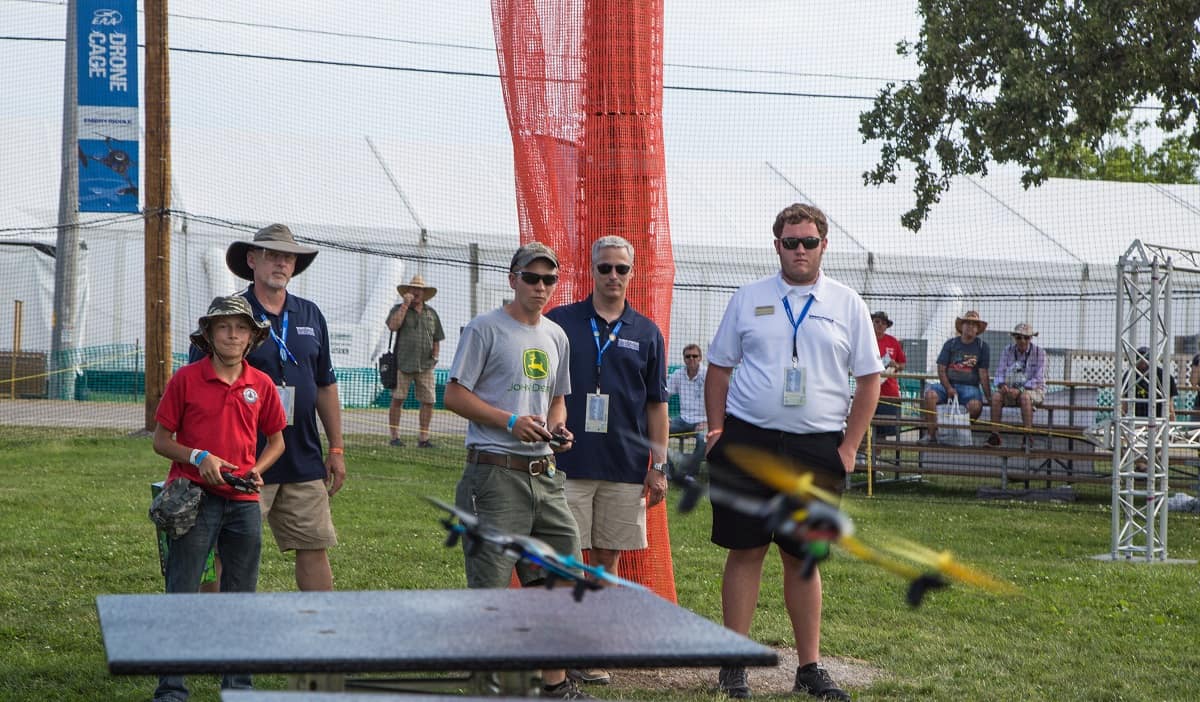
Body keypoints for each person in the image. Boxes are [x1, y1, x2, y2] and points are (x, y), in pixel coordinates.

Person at [704, 203, 881, 701]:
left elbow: (869, 380)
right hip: (749, 441)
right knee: (746, 550)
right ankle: (734, 664)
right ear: (776, 244)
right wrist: (718, 431)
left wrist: (848, 447)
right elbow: (718, 367)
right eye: (790, 242)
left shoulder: (847, 303)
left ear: (825, 245)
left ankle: (809, 667)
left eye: (808, 242)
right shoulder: (749, 298)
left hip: (816, 448)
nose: (799, 250)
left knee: (802, 557)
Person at [443, 242, 588, 700]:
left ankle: (555, 686)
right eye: (532, 277)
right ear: (512, 279)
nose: (541, 287)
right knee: (491, 588)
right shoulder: (485, 329)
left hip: (544, 476)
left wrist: (558, 429)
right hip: (495, 473)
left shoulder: (556, 335)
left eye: (549, 279)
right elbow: (454, 395)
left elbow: (557, 399)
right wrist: (509, 421)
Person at [545, 235, 669, 687]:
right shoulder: (560, 322)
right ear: (590, 271)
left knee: (607, 560)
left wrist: (659, 465)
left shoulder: (646, 332)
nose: (613, 276)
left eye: (621, 269)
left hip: (623, 465)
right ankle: (564, 651)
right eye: (605, 268)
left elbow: (656, 405)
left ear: (632, 273)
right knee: (565, 558)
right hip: (568, 462)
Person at [152, 295, 287, 701]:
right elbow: (161, 441)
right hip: (194, 500)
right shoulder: (186, 379)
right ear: (209, 334)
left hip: (244, 505)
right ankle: (171, 690)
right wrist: (198, 456)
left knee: (241, 595)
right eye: (224, 327)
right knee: (183, 591)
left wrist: (256, 471)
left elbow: (277, 441)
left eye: (241, 328)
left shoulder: (260, 384)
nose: (233, 334)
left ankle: (239, 686)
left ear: (251, 338)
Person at [223, 223, 346, 592]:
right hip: (243, 456)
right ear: (252, 259)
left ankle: (323, 632)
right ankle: (211, 631)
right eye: (272, 255)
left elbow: (325, 384)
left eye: (288, 257)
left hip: (302, 455)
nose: (281, 263)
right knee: (222, 547)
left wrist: (336, 448)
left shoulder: (310, 314)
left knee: (314, 545)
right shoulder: (231, 314)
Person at [385, 274, 445, 448]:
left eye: (419, 289)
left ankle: (423, 438)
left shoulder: (431, 313)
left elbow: (437, 338)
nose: (416, 292)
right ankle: (395, 436)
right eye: (413, 289)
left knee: (429, 401)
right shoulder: (398, 309)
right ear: (408, 291)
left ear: (424, 292)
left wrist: (435, 356)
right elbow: (393, 326)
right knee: (397, 399)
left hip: (425, 365)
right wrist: (405, 305)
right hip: (402, 363)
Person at [921, 310, 992, 444]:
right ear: (962, 326)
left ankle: (955, 431)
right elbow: (941, 369)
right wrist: (948, 388)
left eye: (974, 324)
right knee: (930, 394)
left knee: (976, 406)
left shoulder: (983, 347)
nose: (970, 326)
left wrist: (988, 396)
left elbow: (983, 373)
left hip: (970, 388)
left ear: (978, 329)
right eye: (967, 323)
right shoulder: (951, 344)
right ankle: (931, 435)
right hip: (947, 384)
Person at [986, 323, 1047, 447]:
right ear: (1014, 337)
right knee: (996, 397)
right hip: (1009, 389)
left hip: (1034, 390)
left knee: (1025, 397)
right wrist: (1002, 385)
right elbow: (999, 372)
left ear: (1031, 338)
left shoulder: (1040, 353)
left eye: (1026, 337)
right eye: (1019, 337)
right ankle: (994, 435)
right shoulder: (1007, 350)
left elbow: (1038, 379)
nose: (1022, 340)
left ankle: (1028, 436)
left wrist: (1020, 390)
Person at [666, 343, 708, 473]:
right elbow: (664, 395)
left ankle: (690, 474)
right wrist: (664, 417)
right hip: (683, 419)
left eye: (695, 356)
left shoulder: (708, 374)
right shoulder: (678, 374)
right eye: (688, 356)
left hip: (704, 421)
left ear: (700, 358)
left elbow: (720, 400)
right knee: (658, 432)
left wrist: (708, 422)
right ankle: (669, 471)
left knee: (703, 439)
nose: (691, 359)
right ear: (684, 359)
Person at [871, 311, 907, 438]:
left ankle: (877, 458)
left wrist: (895, 365)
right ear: (872, 322)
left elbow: (902, 364)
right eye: (877, 321)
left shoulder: (893, 341)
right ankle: (861, 458)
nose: (880, 325)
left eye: (883, 323)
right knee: (861, 428)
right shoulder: (865, 339)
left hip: (888, 393)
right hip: (868, 391)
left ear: (887, 326)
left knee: (883, 432)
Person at [1131, 346, 1178, 421]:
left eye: (1146, 359)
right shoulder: (1130, 376)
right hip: (1136, 421)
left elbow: (1170, 407)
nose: (1143, 362)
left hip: (1158, 422)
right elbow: (1124, 406)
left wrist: (1172, 425)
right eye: (1140, 359)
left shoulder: (1166, 377)